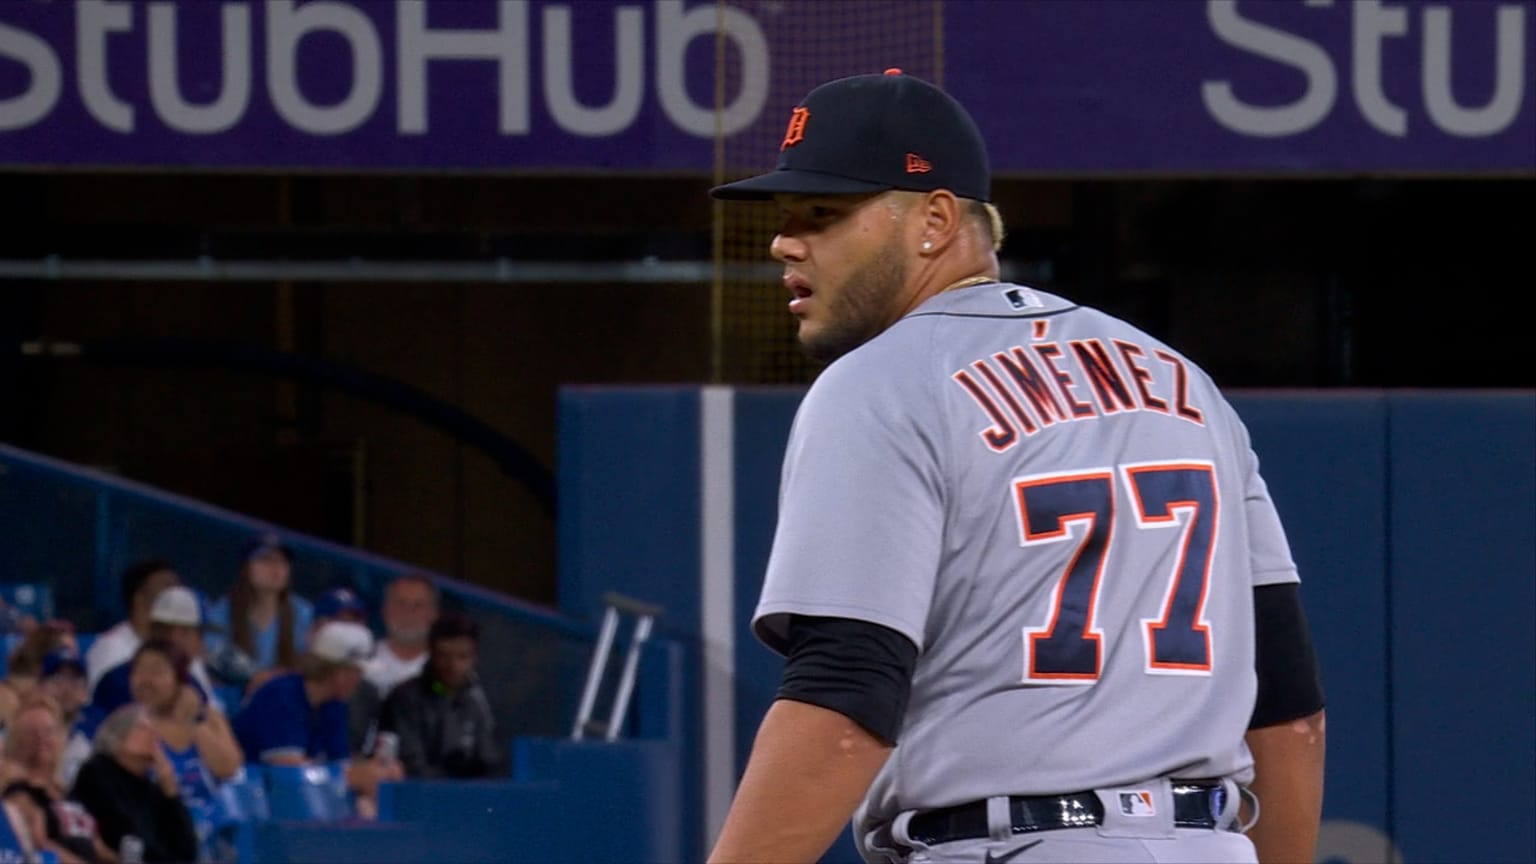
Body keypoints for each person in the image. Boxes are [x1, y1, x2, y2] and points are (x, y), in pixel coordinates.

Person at [706, 70, 1326, 864]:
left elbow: (843, 696)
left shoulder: (883, 381)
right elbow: (1290, 710)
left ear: (934, 220)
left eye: (823, 213)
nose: (785, 241)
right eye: (787, 215)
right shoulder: (1184, 383)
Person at [230, 620, 400, 817]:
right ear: (338, 673)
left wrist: (375, 771)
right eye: (356, 673)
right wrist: (355, 776)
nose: (359, 681)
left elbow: (340, 764)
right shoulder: (281, 695)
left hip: (299, 805)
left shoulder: (333, 704)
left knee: (367, 805)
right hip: (257, 805)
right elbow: (288, 774)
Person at [128, 638, 243, 860]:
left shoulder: (208, 718)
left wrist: (193, 723)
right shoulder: (126, 726)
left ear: (179, 679)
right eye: (138, 671)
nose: (145, 680)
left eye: (156, 671)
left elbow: (228, 768)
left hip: (211, 834)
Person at [378, 611, 503, 779]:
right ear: (431, 654)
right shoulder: (406, 698)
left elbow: (490, 763)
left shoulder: (474, 701)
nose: (453, 666)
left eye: (463, 657)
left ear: (474, 658)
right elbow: (413, 767)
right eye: (445, 656)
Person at [70, 704, 199, 864]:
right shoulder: (96, 772)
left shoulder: (152, 789)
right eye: (144, 728)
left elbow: (187, 850)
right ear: (118, 736)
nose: (155, 736)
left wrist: (170, 790)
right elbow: (124, 837)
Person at [87, 586, 226, 728]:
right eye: (199, 635)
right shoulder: (118, 682)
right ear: (177, 635)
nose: (202, 645)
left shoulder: (191, 681)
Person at [0, 695, 116, 863]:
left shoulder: (68, 792)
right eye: (31, 732)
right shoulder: (18, 796)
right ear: (16, 740)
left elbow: (95, 845)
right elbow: (39, 846)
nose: (41, 738)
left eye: (48, 731)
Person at [205, 532, 314, 694]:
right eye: (265, 560)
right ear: (246, 568)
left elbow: (311, 662)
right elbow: (212, 651)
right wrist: (255, 675)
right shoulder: (223, 610)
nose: (276, 568)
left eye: (282, 561)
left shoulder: (304, 613)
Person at [84, 558, 180, 694]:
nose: (178, 597)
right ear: (139, 598)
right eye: (167, 588)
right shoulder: (111, 649)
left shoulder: (179, 647)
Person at [309, 587, 382, 757]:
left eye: (355, 624)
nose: (351, 634)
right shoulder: (286, 687)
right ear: (314, 630)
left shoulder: (365, 693)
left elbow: (348, 757)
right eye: (341, 624)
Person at [363, 573, 438, 699]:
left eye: (418, 606)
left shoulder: (444, 670)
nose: (408, 614)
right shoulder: (361, 660)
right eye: (400, 604)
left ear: (433, 616)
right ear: (385, 611)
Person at [37, 649, 93, 790]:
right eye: (57, 680)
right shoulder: (15, 737)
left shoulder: (94, 740)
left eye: (75, 681)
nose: (66, 689)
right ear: (39, 687)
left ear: (86, 693)